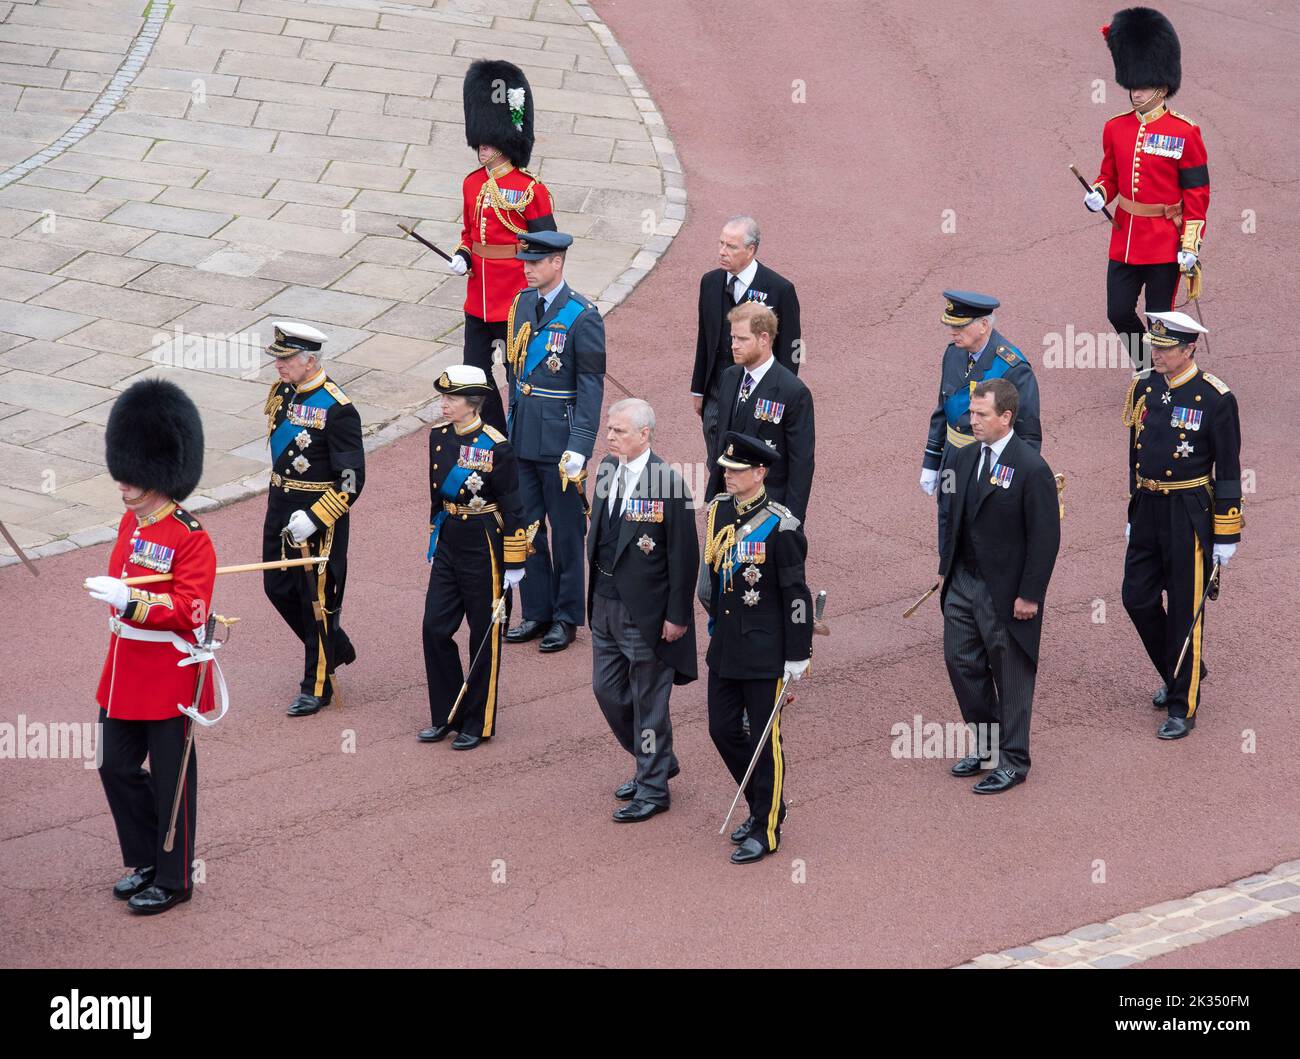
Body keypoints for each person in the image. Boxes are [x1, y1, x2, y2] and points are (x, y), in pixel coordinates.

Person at [84, 379, 215, 914]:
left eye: (132, 475)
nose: (123, 483)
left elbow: (192, 611)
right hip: (123, 669)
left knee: (172, 782)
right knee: (113, 765)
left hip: (167, 675)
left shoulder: (190, 536)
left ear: (158, 473)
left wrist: (131, 600)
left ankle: (174, 878)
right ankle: (143, 859)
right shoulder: (130, 521)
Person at [1121, 311, 1240, 739]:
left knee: (1185, 612)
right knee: (1136, 598)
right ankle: (1183, 668)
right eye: (1154, 346)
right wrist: (1133, 511)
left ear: (1189, 349)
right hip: (1148, 507)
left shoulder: (1215, 398)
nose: (1156, 354)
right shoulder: (1144, 386)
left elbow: (1229, 470)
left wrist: (1226, 532)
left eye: (1165, 348)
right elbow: (1135, 455)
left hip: (1188, 512)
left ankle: (1181, 705)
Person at [939, 379, 1060, 794]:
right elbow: (950, 517)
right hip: (963, 581)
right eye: (971, 413)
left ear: (1006, 417)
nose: (972, 421)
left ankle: (1013, 760)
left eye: (981, 414)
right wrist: (945, 568)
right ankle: (988, 745)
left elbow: (1045, 538)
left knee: (1011, 676)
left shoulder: (1031, 468)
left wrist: (1030, 594)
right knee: (960, 662)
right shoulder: (963, 457)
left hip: (1006, 591)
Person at [700, 432, 812, 863]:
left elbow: (796, 596)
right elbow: (713, 579)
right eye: (726, 469)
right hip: (726, 644)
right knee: (722, 729)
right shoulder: (719, 511)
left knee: (766, 741)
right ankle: (764, 803)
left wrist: (798, 655)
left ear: (760, 473)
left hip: (766, 652)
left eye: (737, 470)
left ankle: (766, 829)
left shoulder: (781, 526)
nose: (727, 476)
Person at [588, 399, 697, 821]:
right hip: (604, 602)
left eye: (619, 431)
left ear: (644, 434)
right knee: (607, 690)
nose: (609, 437)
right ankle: (657, 759)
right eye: (609, 429)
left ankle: (653, 789)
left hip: (645, 613)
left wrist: (677, 616)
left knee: (648, 701)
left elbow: (684, 557)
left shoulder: (669, 484)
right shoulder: (606, 470)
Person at [501, 230, 606, 653]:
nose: (527, 269)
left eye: (535, 262)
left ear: (557, 263)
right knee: (527, 528)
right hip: (523, 436)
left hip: (561, 443)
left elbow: (591, 386)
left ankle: (566, 617)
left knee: (565, 534)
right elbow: (514, 372)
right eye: (525, 262)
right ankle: (537, 611)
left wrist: (580, 445)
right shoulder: (522, 304)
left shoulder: (582, 315)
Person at [1086, 7, 1209, 368]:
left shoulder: (1185, 132)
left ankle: (1160, 371)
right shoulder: (1115, 128)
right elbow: (1109, 175)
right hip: (1125, 236)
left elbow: (1197, 193)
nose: (1135, 93)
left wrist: (1190, 244)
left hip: (1164, 240)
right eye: (1132, 86)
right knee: (1118, 311)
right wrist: (1099, 193)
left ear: (1162, 87)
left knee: (1159, 319)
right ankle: (1146, 364)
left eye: (1142, 87)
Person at [420, 366, 529, 750]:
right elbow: (437, 496)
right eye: (444, 397)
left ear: (473, 403)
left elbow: (514, 506)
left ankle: (478, 722)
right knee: (434, 627)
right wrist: (435, 537)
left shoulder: (497, 446)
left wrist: (514, 561)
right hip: (450, 539)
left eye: (451, 399)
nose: (444, 404)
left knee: (484, 635)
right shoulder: (438, 437)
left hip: (484, 543)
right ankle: (448, 714)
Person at [261, 321, 365, 717]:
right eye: (279, 358)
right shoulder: (282, 391)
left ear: (310, 360)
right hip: (280, 505)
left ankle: (315, 685)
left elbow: (351, 479)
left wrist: (317, 517)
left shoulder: (339, 409)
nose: (279, 365)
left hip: (317, 514)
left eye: (286, 359)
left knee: (317, 599)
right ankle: (335, 645)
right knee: (276, 586)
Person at [448, 59, 557, 433]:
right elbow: (469, 233)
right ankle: (496, 430)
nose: (482, 146)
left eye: (489, 140)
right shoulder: (471, 183)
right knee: (474, 373)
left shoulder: (530, 189)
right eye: (480, 140)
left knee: (518, 373)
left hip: (514, 297)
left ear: (506, 141)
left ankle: (520, 430)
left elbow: (548, 247)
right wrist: (463, 255)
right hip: (477, 297)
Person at [921, 291, 1041, 559]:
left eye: (960, 326)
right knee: (949, 518)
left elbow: (1029, 435)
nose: (953, 332)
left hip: (988, 462)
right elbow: (942, 410)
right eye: (951, 325)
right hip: (953, 459)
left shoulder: (1013, 368)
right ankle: (949, 580)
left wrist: (1009, 480)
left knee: (984, 530)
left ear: (984, 325)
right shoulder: (953, 354)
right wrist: (931, 462)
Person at [691, 216, 801, 466]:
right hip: (716, 393)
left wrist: (780, 398)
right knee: (716, 461)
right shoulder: (709, 282)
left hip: (759, 394)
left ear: (751, 250)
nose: (722, 251)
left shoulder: (780, 289)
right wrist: (698, 389)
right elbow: (704, 339)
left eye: (731, 246)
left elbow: (790, 350)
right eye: (721, 243)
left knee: (752, 463)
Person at [706, 301, 815, 522]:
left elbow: (801, 464)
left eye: (742, 339)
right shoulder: (729, 377)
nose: (734, 346)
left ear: (764, 338)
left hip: (767, 511)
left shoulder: (793, 391)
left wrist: (791, 520)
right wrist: (713, 497)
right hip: (728, 503)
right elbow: (721, 442)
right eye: (733, 338)